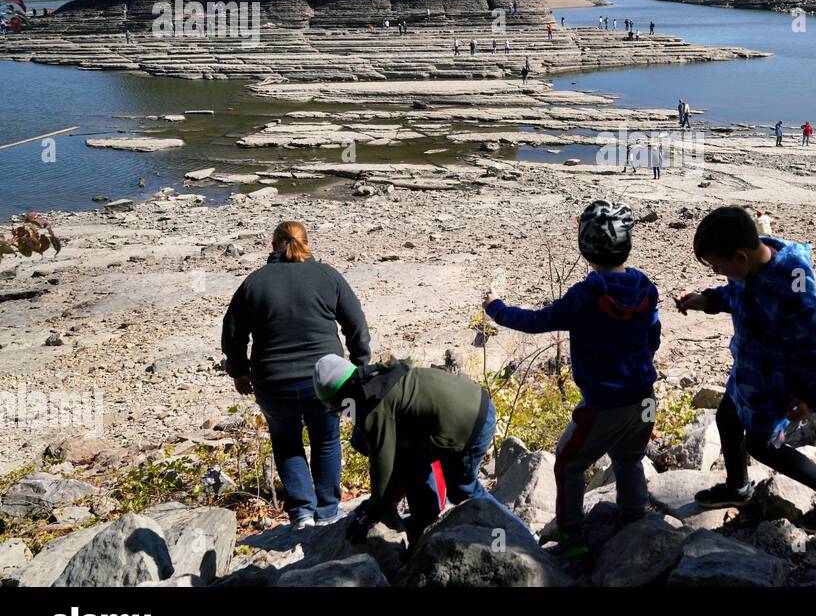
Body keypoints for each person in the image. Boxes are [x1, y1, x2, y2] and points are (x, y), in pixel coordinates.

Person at [484, 201, 660, 558]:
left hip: (603, 403)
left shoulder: (586, 295)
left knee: (569, 462)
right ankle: (634, 520)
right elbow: (653, 336)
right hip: (644, 397)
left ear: (585, 248)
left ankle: (572, 539)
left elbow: (536, 322)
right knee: (630, 458)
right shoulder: (646, 288)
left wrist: (496, 308)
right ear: (628, 245)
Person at [675, 207, 816, 531]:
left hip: (777, 386)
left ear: (740, 257)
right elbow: (734, 293)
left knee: (763, 447)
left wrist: (811, 395)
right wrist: (707, 299)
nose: (719, 273)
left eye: (719, 267)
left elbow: (815, 340)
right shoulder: (746, 268)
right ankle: (738, 487)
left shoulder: (791, 283)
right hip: (748, 374)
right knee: (726, 418)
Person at [221, 221, 370, 530]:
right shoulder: (328, 276)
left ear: (273, 246)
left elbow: (233, 334)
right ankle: (328, 511)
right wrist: (360, 365)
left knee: (286, 442)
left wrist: (238, 371)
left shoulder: (255, 283)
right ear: (307, 242)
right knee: (327, 439)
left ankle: (302, 513)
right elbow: (356, 323)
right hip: (326, 378)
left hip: (274, 381)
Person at [316, 354, 496, 543]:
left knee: (463, 491)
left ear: (342, 398)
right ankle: (425, 520)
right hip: (475, 400)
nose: (342, 414)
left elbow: (382, 463)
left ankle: (508, 535)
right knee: (406, 458)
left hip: (471, 424)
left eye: (338, 409)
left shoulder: (375, 408)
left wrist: (372, 512)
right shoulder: (376, 378)